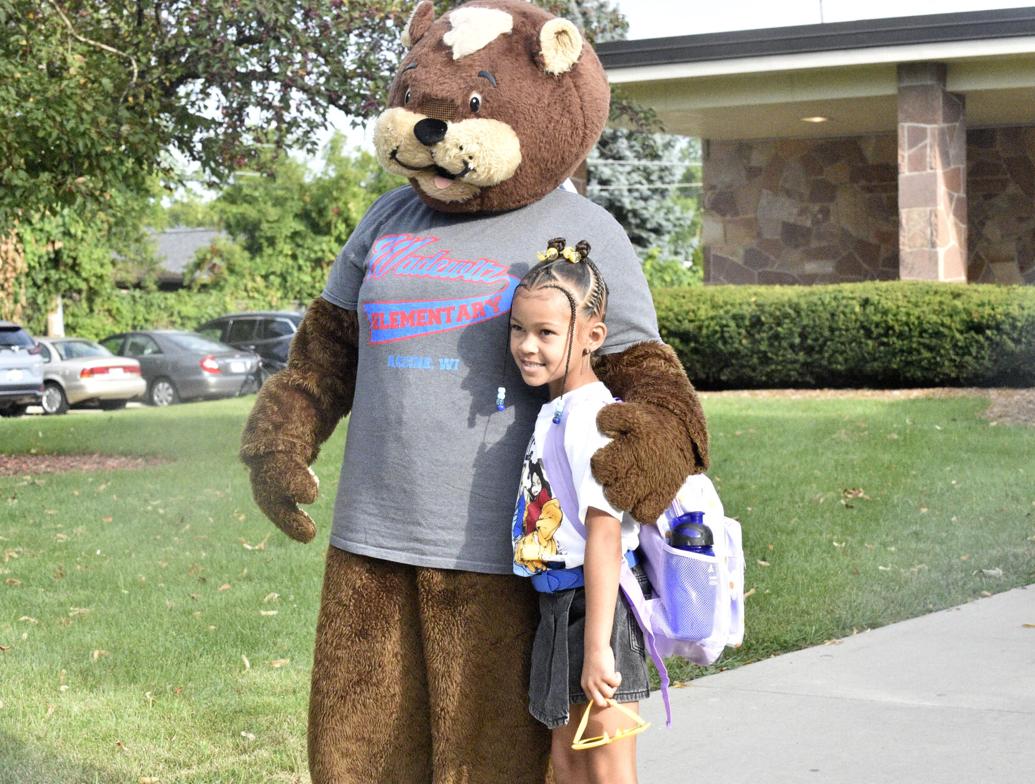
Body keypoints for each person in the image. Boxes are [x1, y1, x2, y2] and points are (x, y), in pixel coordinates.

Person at [508, 238, 651, 784]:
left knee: (608, 767)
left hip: (598, 612)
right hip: (558, 608)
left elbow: (605, 536)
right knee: (567, 764)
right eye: (519, 328)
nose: (527, 345)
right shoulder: (558, 409)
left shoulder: (593, 415)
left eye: (546, 333)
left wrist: (597, 649)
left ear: (592, 336)